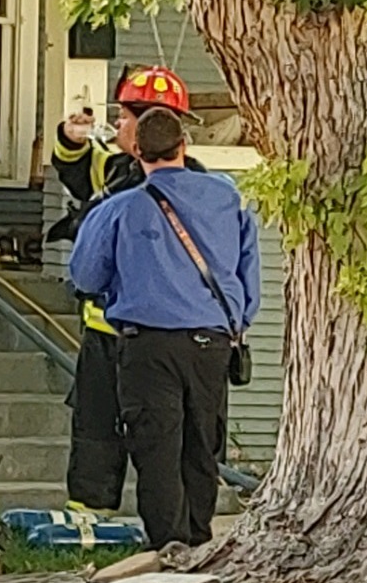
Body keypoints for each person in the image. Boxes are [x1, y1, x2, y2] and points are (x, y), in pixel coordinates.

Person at [68, 106, 260, 548]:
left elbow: (85, 277)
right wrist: (238, 320)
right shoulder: (228, 197)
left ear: (137, 152)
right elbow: (249, 270)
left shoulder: (120, 207)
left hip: (146, 345)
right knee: (202, 447)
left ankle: (169, 548)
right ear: (184, 147)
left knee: (157, 450)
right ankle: (198, 538)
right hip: (213, 343)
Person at [50, 66, 206, 514]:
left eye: (123, 117)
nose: (116, 125)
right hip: (107, 334)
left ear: (147, 127)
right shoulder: (116, 168)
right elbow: (78, 171)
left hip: (152, 337)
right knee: (95, 431)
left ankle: (172, 531)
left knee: (161, 438)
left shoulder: (189, 186)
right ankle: (89, 524)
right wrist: (71, 138)